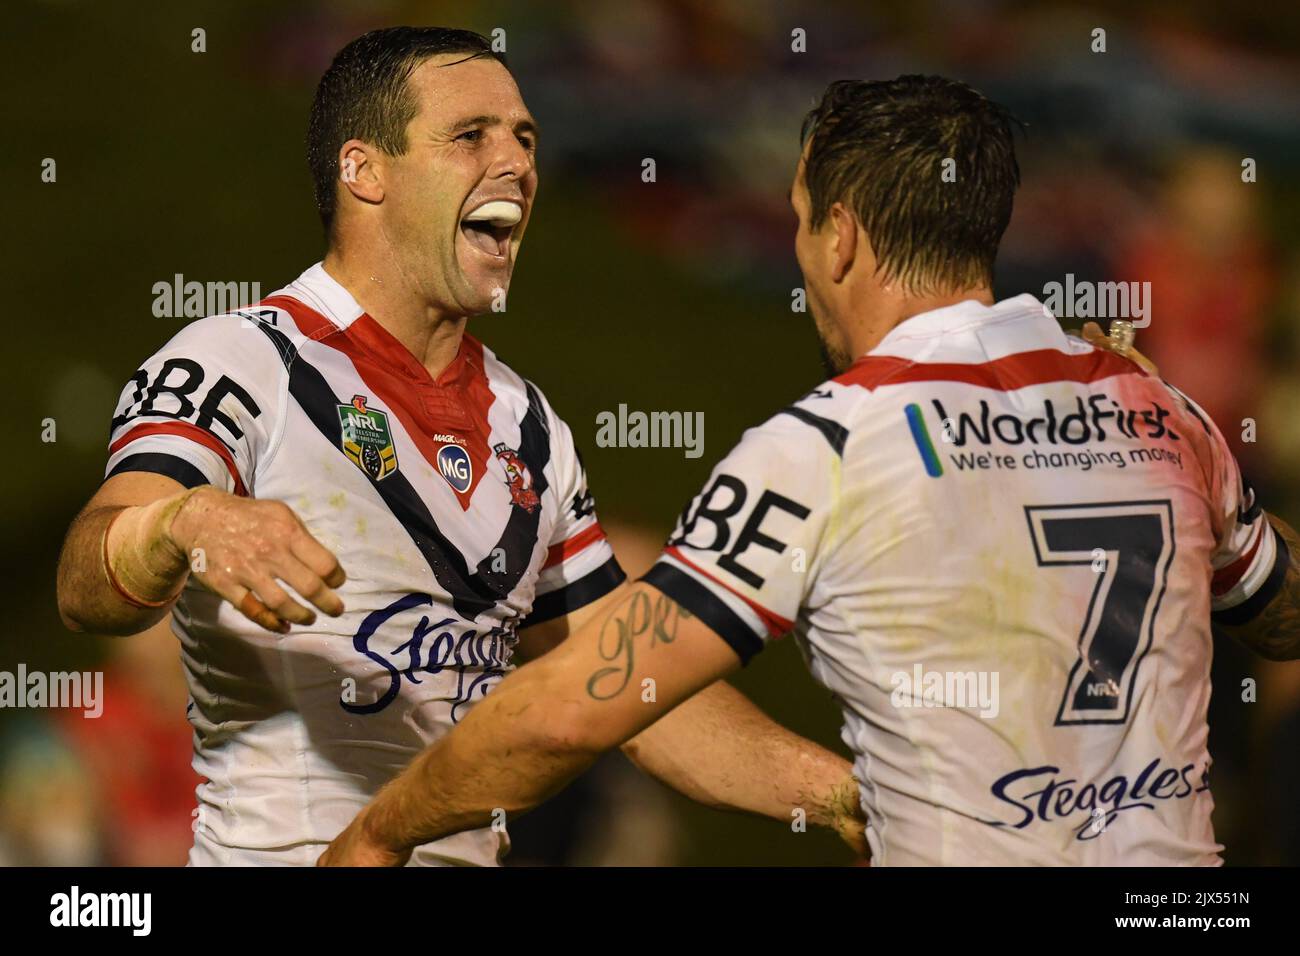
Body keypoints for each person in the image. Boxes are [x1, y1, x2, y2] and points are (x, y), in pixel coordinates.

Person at [321, 75, 1300, 867]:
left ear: (838, 235)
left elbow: (574, 707)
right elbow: (1283, 610)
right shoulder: (1158, 411)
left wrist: (380, 829)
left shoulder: (831, 444)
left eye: (797, 222)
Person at [55, 27, 865, 866]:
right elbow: (87, 583)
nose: (515, 161)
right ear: (362, 171)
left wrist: (845, 795)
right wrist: (186, 521)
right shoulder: (239, 361)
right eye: (470, 135)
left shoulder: (531, 423)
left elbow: (635, 689)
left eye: (526, 137)